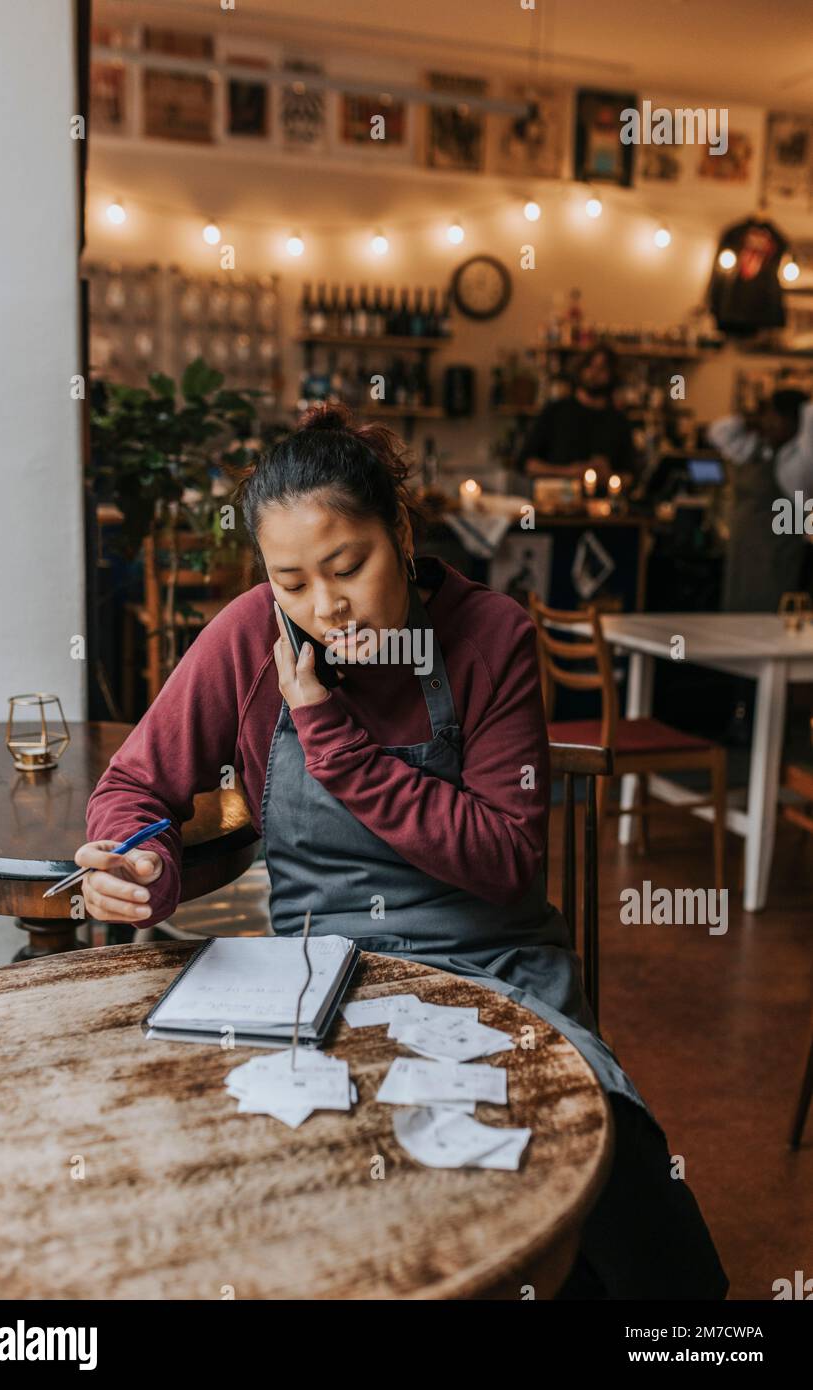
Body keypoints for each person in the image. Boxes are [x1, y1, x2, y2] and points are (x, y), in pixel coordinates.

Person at [76, 403, 728, 1301]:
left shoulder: (489, 634)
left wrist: (335, 746)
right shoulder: (247, 638)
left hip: (495, 970)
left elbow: (506, 857)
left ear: (402, 532)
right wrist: (135, 868)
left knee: (644, 1240)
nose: (323, 607)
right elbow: (132, 789)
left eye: (348, 567)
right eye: (291, 582)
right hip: (322, 981)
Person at [709, 388, 813, 612]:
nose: (770, 423)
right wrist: (751, 420)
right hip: (742, 549)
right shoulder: (753, 447)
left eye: (776, 418)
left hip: (775, 555)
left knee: (765, 619)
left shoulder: (795, 461)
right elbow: (717, 432)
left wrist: (806, 416)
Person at [517, 343, 636, 489]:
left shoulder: (619, 421)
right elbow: (526, 464)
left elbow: (630, 477)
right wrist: (570, 472)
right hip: (555, 502)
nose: (594, 373)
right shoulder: (555, 411)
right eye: (590, 366)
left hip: (601, 506)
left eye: (602, 369)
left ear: (612, 375)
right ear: (581, 369)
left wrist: (609, 476)